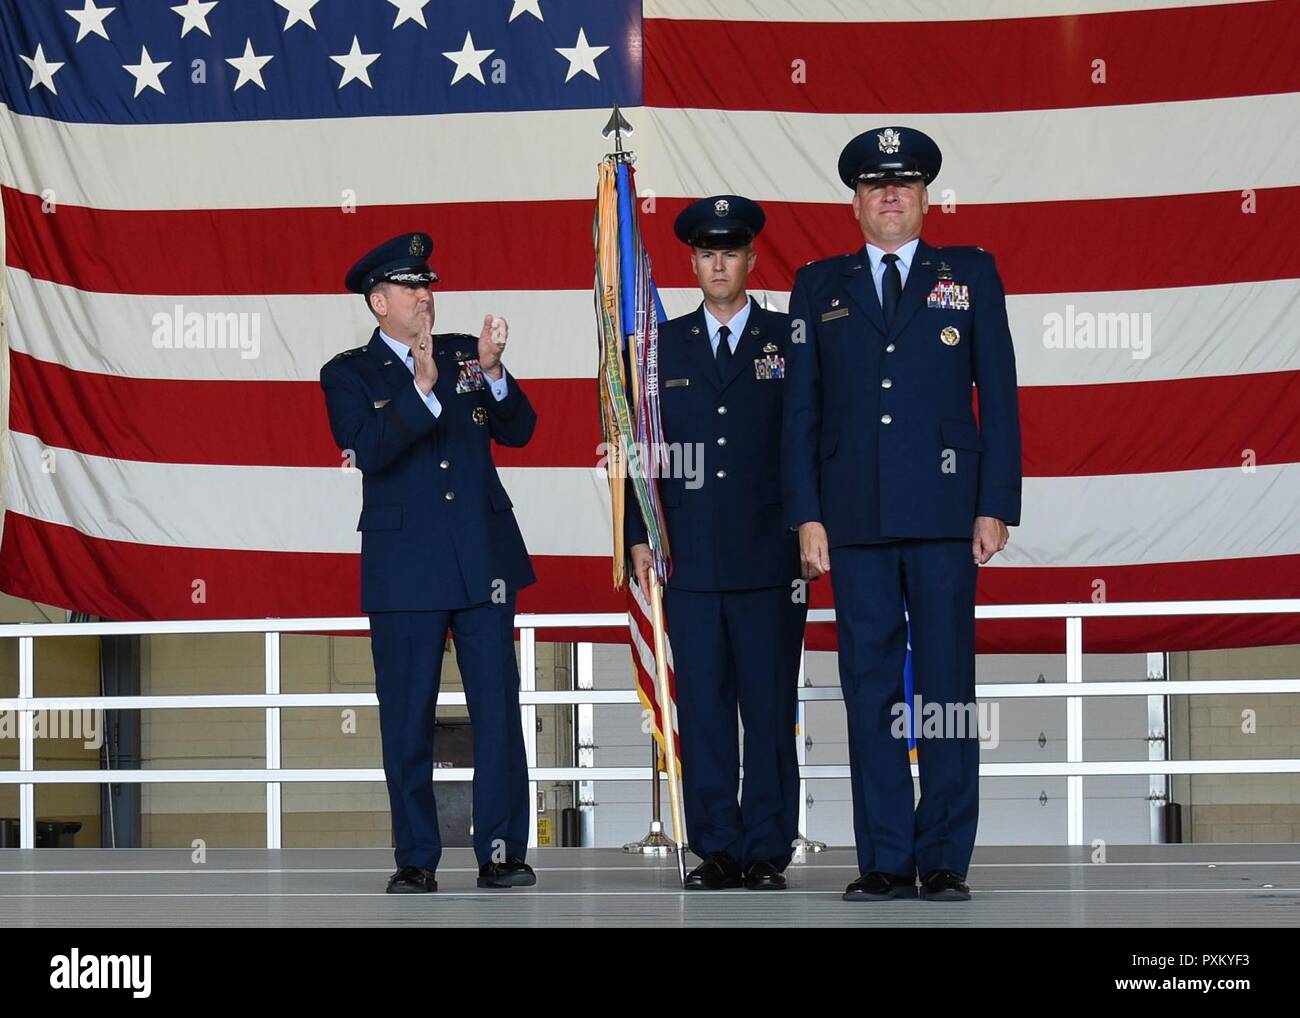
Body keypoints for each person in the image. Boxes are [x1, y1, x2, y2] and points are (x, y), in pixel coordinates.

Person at [781, 128, 1022, 902]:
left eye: (906, 184)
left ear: (925, 199)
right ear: (856, 203)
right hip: (853, 518)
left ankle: (945, 855)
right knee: (871, 686)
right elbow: (801, 414)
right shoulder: (821, 286)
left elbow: (1002, 398)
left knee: (946, 687)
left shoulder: (971, 275)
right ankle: (885, 855)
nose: (891, 195)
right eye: (878, 185)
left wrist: (995, 503)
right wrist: (806, 515)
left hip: (949, 513)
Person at [320, 232, 538, 893]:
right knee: (406, 715)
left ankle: (500, 851)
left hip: (483, 560)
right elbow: (368, 449)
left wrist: (496, 372)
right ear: (378, 301)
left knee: (497, 711)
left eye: (429, 286)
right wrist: (419, 391)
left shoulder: (467, 356)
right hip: (404, 566)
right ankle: (416, 857)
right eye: (412, 288)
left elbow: (521, 430)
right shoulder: (348, 373)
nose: (427, 296)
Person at [628, 196, 806, 891]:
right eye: (707, 253)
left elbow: (809, 441)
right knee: (703, 711)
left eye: (730, 251)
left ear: (751, 259)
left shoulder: (789, 338)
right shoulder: (658, 349)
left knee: (767, 711)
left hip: (770, 557)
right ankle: (717, 847)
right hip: (690, 560)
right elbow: (639, 451)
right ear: (693, 262)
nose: (719, 263)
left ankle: (765, 848)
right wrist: (639, 535)